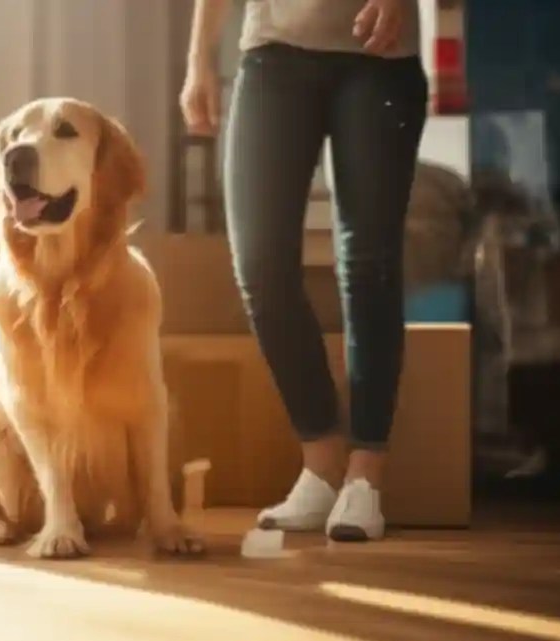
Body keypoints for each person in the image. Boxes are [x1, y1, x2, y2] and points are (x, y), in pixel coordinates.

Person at [180, 0, 427, 541]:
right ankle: (320, 462)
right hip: (273, 55)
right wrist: (199, 58)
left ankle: (366, 475)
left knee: (367, 263)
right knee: (260, 266)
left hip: (377, 56)